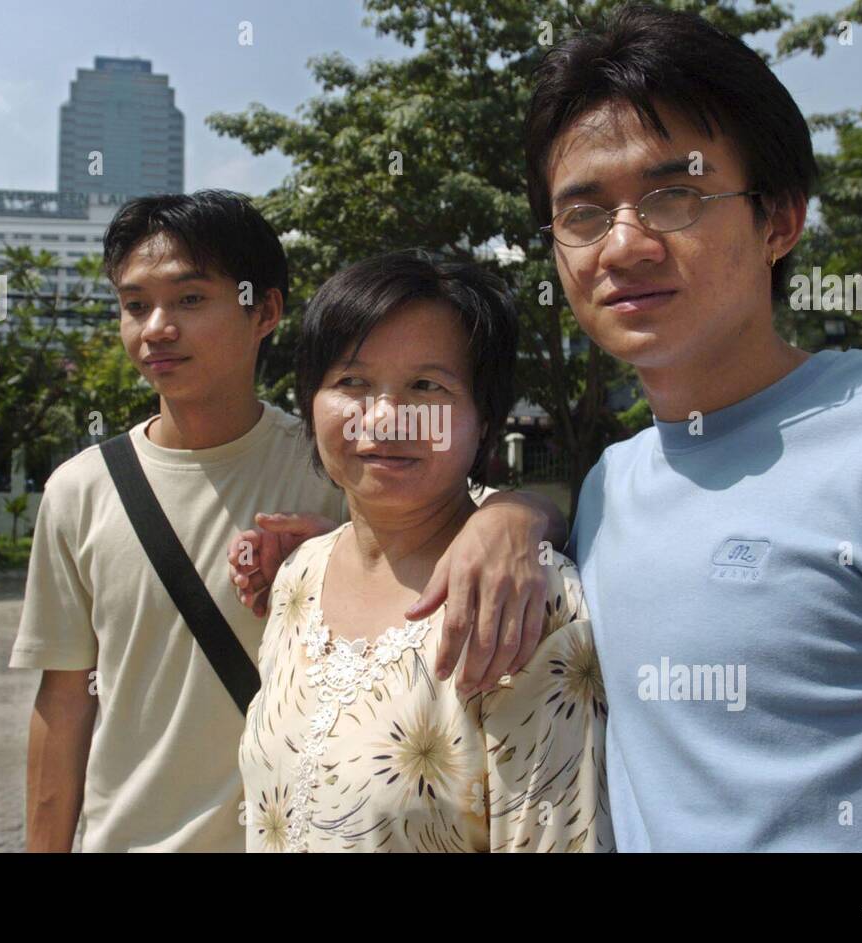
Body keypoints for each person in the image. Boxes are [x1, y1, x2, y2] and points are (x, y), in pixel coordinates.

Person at [523, 3, 862, 850]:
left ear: (780, 220)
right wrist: (517, 512)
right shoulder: (607, 486)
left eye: (674, 196)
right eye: (584, 214)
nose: (623, 245)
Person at [8, 191, 565, 852]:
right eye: (135, 305)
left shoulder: (345, 459)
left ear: (263, 310)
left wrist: (515, 513)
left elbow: (477, 514)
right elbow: (65, 701)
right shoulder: (78, 491)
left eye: (190, 299)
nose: (157, 327)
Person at [239, 250, 612, 852]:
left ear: (483, 418)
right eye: (351, 382)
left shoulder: (531, 599)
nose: (385, 419)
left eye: (426, 386)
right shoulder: (298, 576)